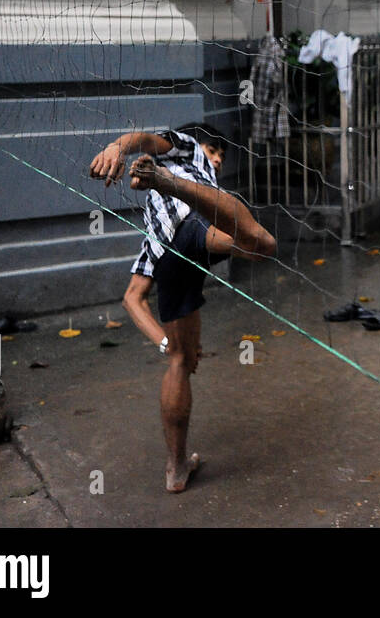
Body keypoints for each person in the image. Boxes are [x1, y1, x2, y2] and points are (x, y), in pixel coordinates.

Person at [89, 123, 276, 491]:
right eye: (213, 150)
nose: (217, 158)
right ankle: (176, 187)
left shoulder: (152, 230)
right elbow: (143, 138)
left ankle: (176, 469)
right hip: (194, 225)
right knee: (263, 245)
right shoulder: (187, 149)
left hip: (169, 254)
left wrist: (166, 343)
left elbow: (132, 298)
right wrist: (117, 147)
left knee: (180, 360)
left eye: (222, 155)